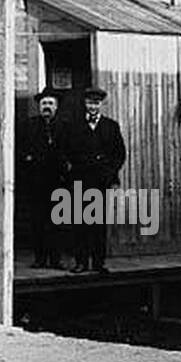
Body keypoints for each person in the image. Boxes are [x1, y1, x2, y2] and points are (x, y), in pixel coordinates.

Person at [64, 87, 126, 275]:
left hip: (101, 182)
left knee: (98, 224)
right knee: (79, 223)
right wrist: (70, 169)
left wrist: (109, 174)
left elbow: (119, 154)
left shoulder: (111, 126)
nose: (93, 106)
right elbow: (64, 151)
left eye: (96, 103)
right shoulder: (73, 126)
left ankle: (98, 263)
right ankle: (81, 262)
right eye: (90, 102)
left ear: (101, 104)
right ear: (85, 103)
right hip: (79, 180)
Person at [22, 88, 67, 269]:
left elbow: (69, 150)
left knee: (57, 221)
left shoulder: (65, 127)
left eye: (50, 104)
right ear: (39, 107)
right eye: (43, 104)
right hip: (36, 181)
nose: (46, 107)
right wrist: (28, 160)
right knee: (38, 221)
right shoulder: (29, 125)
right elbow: (21, 149)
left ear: (56, 107)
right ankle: (40, 258)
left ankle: (56, 259)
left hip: (58, 181)